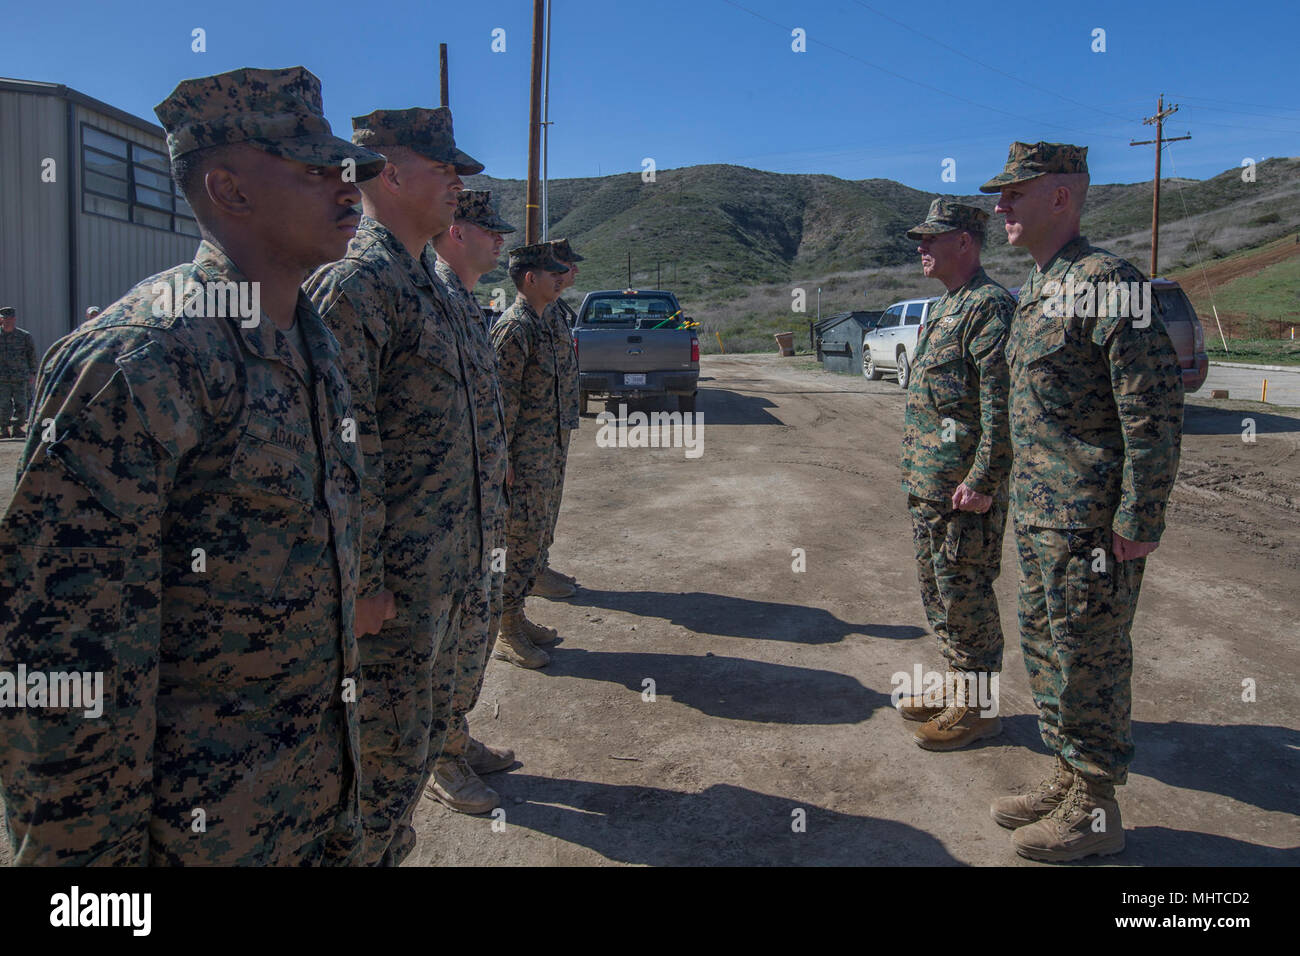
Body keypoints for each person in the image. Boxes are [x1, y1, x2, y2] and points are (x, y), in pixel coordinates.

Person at [0, 65, 390, 865]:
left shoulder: (311, 340)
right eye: (316, 170)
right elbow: (62, 663)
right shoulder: (144, 356)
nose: (348, 190)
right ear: (228, 189)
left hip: (312, 801)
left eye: (349, 171)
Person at [981, 142, 1184, 861]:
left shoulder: (1107, 281)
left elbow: (1151, 409)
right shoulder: (1040, 288)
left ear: (1062, 196)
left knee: (1090, 660)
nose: (1000, 205)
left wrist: (1140, 515)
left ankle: (1097, 809)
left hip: (1090, 522)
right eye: (1000, 194)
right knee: (1048, 654)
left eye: (1015, 192)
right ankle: (1068, 777)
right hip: (1041, 516)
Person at [305, 106, 487, 861]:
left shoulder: (430, 285)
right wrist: (368, 579)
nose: (457, 180)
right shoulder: (357, 283)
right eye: (441, 165)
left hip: (444, 565)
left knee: (410, 752)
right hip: (394, 589)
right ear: (389, 169)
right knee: (378, 765)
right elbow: (345, 451)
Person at [896, 199, 1014, 751]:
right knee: (940, 594)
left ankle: (980, 708)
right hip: (929, 484)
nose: (921, 247)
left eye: (931, 239)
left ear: (964, 242)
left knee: (966, 594)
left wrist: (985, 480)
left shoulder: (988, 308)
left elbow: (1002, 406)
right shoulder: (947, 307)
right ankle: (959, 683)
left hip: (964, 491)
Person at [422, 189, 517, 813]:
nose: (501, 241)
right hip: (430, 528)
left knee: (469, 643)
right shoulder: (421, 296)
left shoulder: (462, 303)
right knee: (434, 654)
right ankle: (437, 762)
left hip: (475, 516)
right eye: (491, 230)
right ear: (457, 231)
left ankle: (453, 739)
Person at [490, 243, 571, 668]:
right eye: (552, 272)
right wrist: (503, 460)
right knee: (516, 539)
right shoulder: (515, 329)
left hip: (546, 450)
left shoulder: (546, 317)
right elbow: (500, 402)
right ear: (529, 279)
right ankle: (505, 628)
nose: (561, 278)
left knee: (534, 535)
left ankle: (516, 615)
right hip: (521, 460)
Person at [529, 238, 584, 600]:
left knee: (547, 507)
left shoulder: (556, 310)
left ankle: (538, 566)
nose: (573, 271)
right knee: (529, 515)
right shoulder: (529, 317)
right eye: (565, 266)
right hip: (532, 438)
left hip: (555, 431)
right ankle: (528, 575)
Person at [0, 307, 37, 439]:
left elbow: (31, 355)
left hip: (20, 377)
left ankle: (18, 428)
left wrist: (33, 373)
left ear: (14, 319)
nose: (7, 322)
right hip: (2, 378)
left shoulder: (24, 336)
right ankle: (3, 429)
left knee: (21, 404)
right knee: (3, 405)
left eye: (10, 319)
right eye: (5, 319)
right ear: (1, 320)